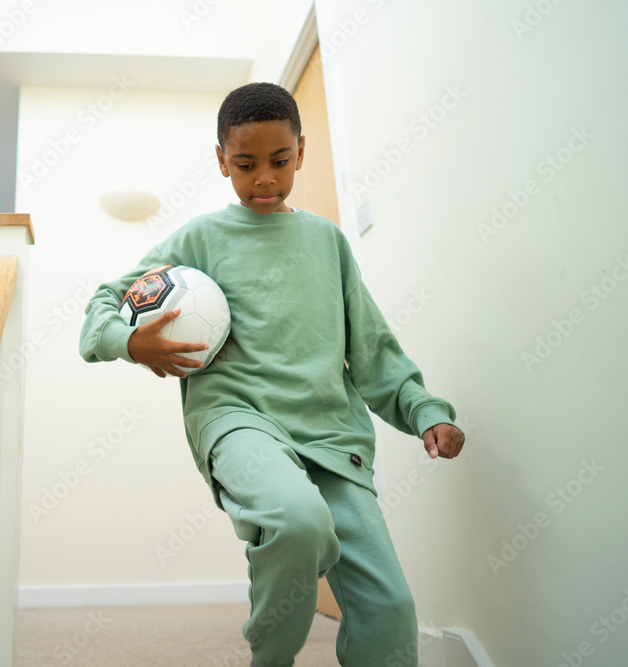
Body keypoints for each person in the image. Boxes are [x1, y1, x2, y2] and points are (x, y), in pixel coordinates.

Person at [78, 82, 465, 667]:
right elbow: (105, 302)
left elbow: (373, 349)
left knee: (391, 611)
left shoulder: (327, 241)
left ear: (301, 152)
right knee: (298, 522)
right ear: (220, 161)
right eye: (245, 164)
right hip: (239, 420)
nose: (264, 178)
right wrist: (131, 341)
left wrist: (424, 409)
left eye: (279, 161)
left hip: (333, 436)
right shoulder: (199, 240)